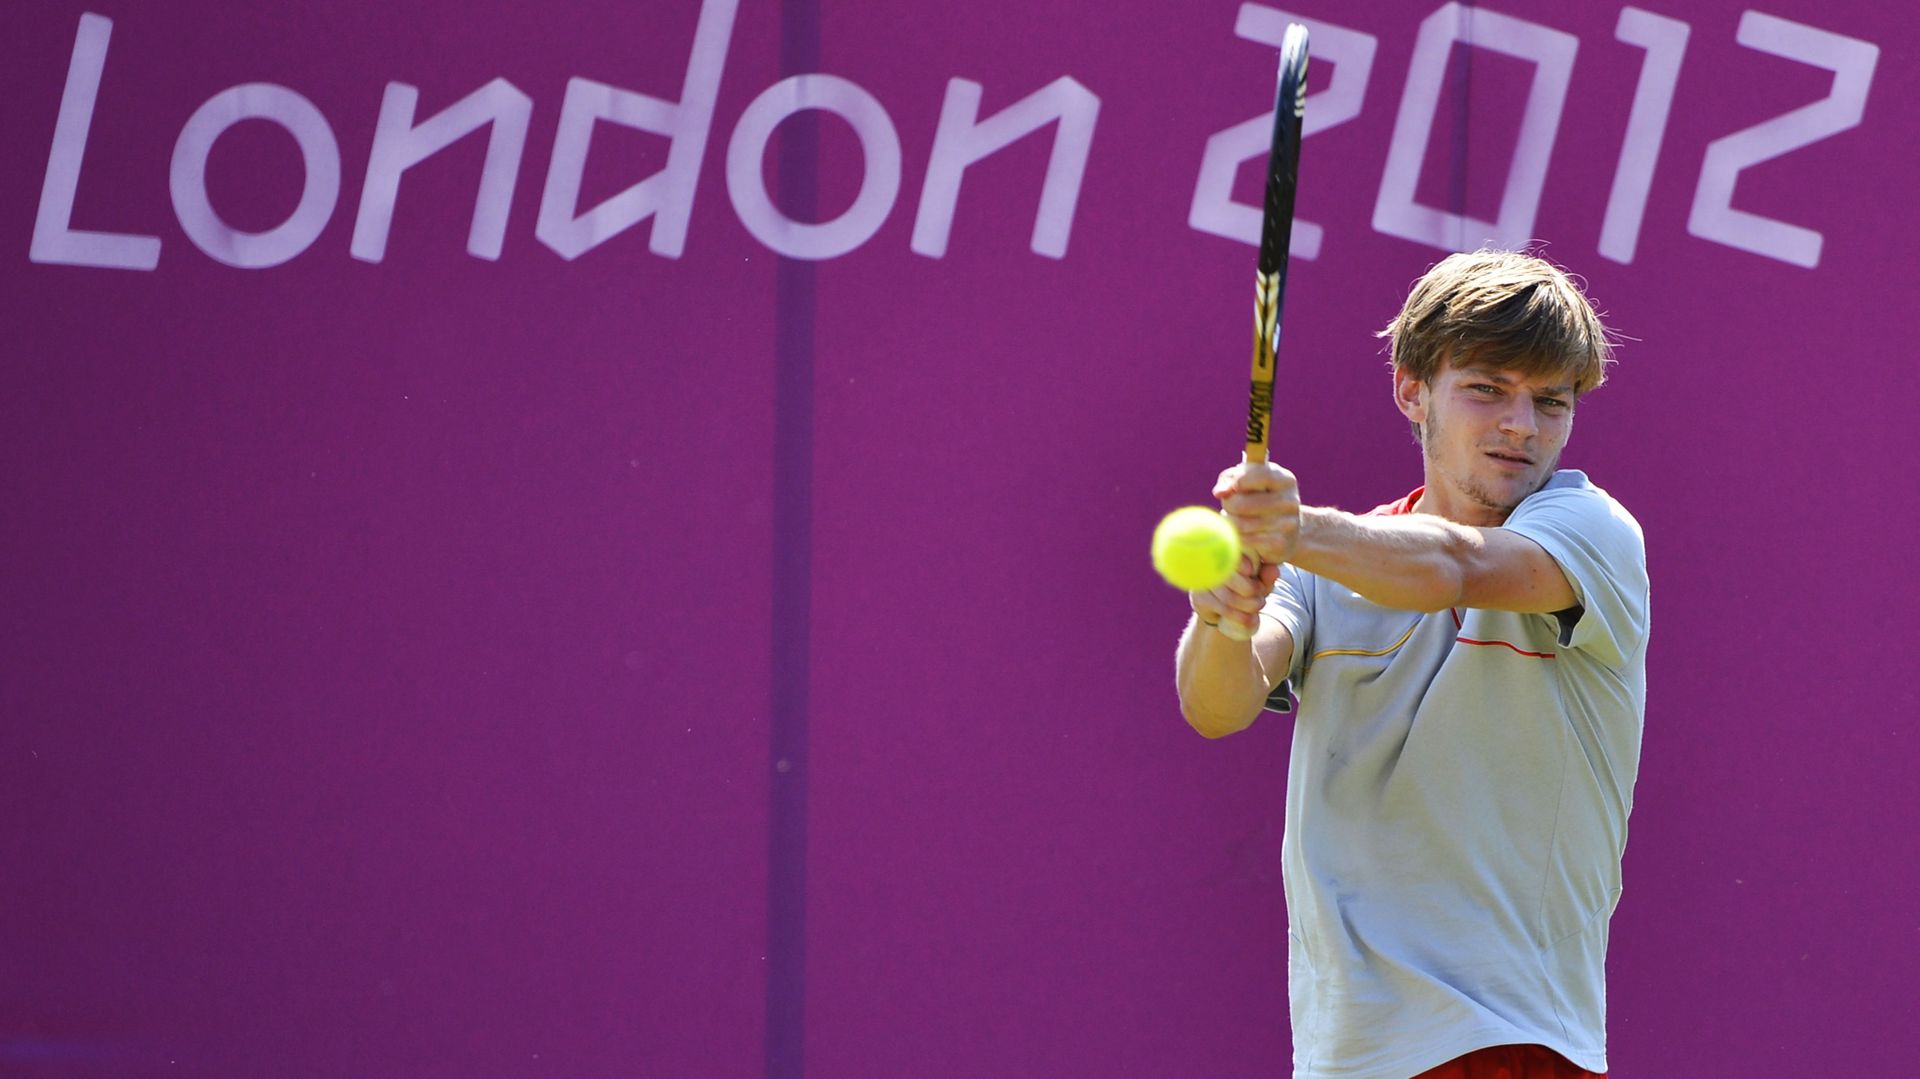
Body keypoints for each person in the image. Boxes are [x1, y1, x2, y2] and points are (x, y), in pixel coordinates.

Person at [1174, 250, 1650, 1079]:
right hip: (1347, 1057)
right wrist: (1223, 611)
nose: (1521, 425)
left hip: (1509, 1040)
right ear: (1411, 390)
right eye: (1488, 388)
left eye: (1550, 400)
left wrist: (1295, 531)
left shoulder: (1593, 533)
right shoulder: (1324, 572)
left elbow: (1453, 565)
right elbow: (1217, 704)